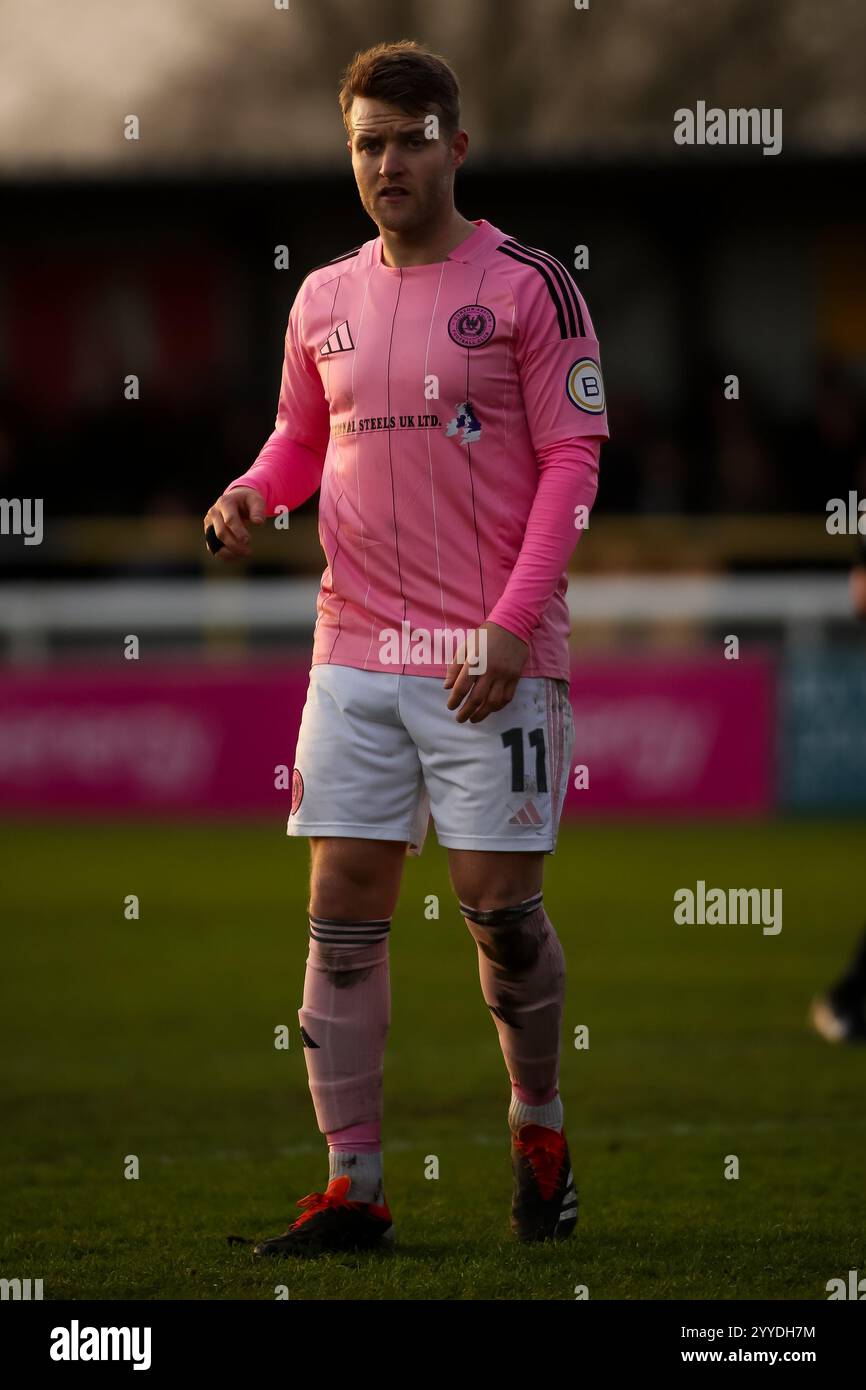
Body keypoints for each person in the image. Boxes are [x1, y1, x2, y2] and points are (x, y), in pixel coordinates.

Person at [205, 40, 608, 1253]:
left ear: (455, 145)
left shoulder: (531, 287)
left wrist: (507, 624)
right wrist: (250, 494)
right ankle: (355, 1185)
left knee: (501, 917)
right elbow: (296, 441)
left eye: (409, 137)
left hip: (489, 658)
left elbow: (572, 465)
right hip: (355, 652)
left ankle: (536, 1127)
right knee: (340, 909)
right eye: (367, 143)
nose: (388, 162)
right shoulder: (321, 298)